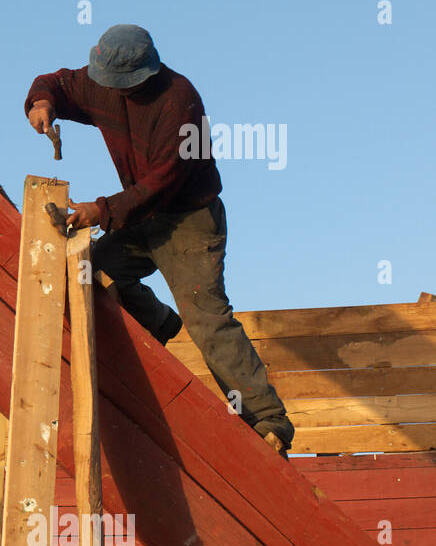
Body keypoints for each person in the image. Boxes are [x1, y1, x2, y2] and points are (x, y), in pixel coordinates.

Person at [23, 24, 294, 455]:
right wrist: (42, 103)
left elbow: (162, 182)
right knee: (93, 271)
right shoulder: (98, 82)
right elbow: (56, 81)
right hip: (137, 216)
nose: (110, 90)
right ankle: (158, 322)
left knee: (208, 320)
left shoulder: (180, 102)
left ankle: (267, 421)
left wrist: (100, 210)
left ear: (145, 74)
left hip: (187, 218)